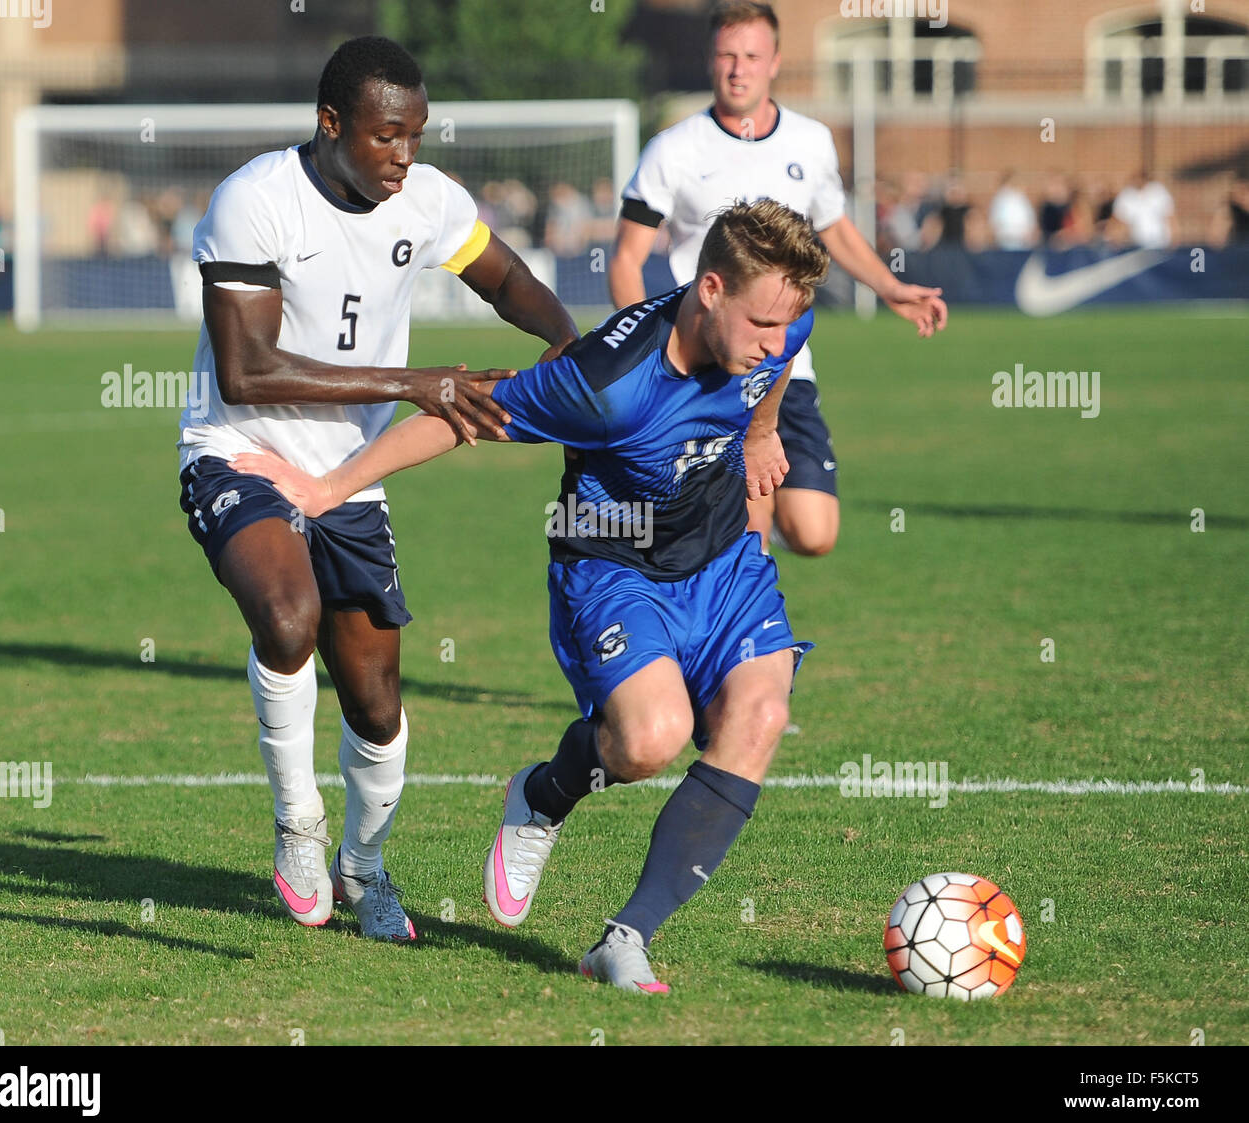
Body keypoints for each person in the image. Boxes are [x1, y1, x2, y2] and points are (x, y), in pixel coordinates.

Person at [231, 199, 826, 993]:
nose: (776, 342)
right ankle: (544, 794)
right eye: (762, 324)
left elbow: (781, 363)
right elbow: (459, 418)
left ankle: (624, 939)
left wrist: (761, 432)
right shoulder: (607, 383)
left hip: (722, 565)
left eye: (788, 325)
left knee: (760, 716)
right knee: (650, 741)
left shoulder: (776, 329)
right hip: (613, 569)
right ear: (710, 289)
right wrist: (326, 487)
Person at [177, 36, 577, 941]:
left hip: (349, 479)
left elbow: (504, 276)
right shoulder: (254, 201)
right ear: (331, 126)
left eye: (417, 136)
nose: (406, 156)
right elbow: (246, 371)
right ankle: (299, 829)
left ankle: (364, 866)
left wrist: (565, 340)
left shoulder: (428, 201)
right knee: (287, 618)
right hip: (239, 452)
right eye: (388, 136)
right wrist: (411, 383)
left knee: (378, 701)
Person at [608, 0, 946, 558]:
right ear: (710, 60)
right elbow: (625, 257)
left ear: (775, 63)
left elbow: (833, 227)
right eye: (726, 55)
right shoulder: (673, 149)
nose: (738, 68)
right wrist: (645, 346)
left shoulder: (810, 141)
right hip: (712, 365)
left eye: (751, 56)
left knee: (816, 535)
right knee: (749, 526)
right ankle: (739, 617)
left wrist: (890, 288)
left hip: (787, 365)